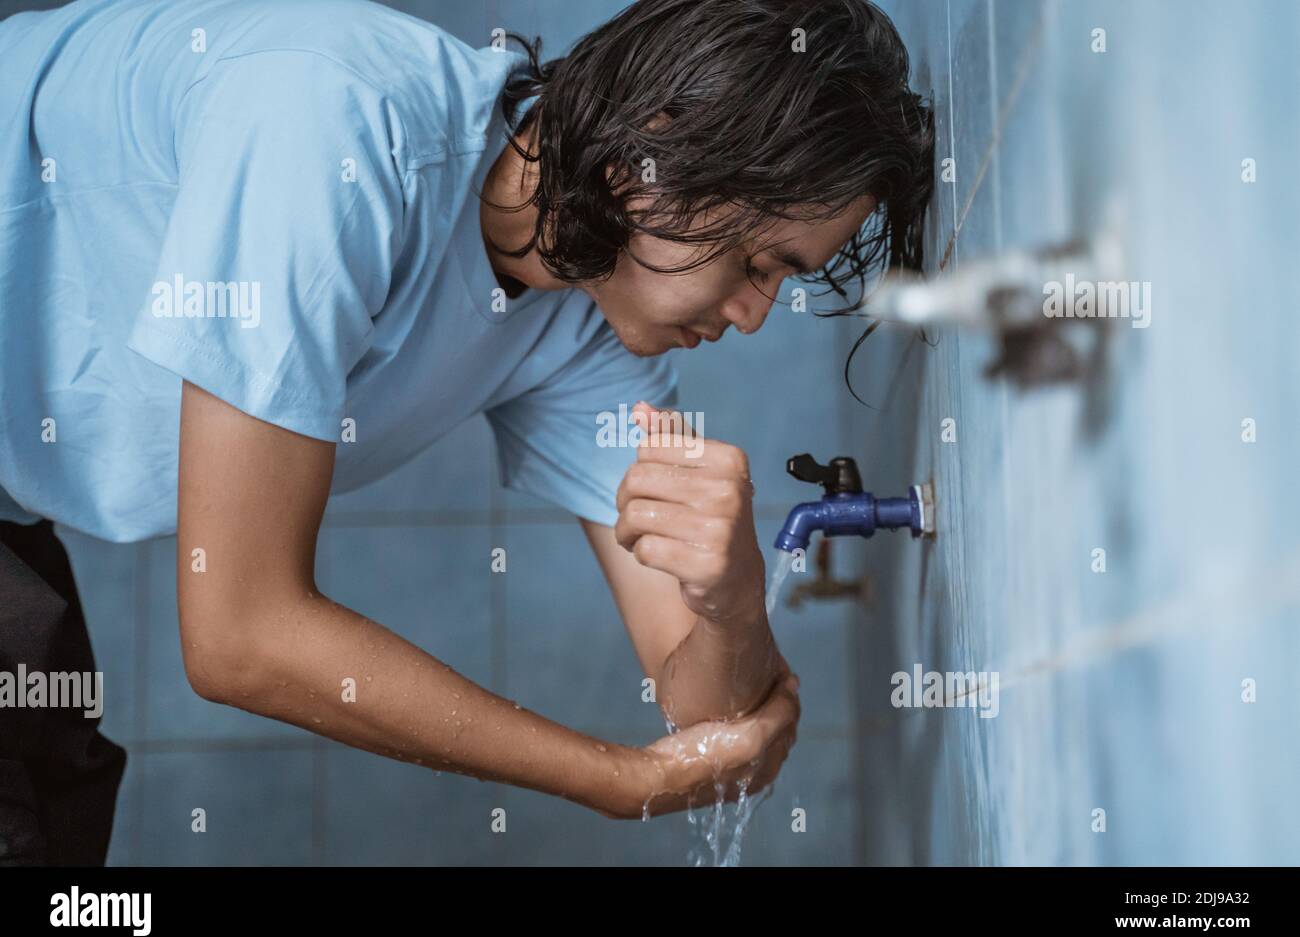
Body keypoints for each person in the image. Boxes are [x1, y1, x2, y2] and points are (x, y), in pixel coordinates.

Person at [0, 0, 932, 863]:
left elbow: (708, 713)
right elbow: (241, 633)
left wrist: (731, 594)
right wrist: (614, 780)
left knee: (60, 803)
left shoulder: (590, 317)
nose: (757, 314)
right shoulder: (333, 123)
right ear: (656, 155)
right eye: (761, 262)